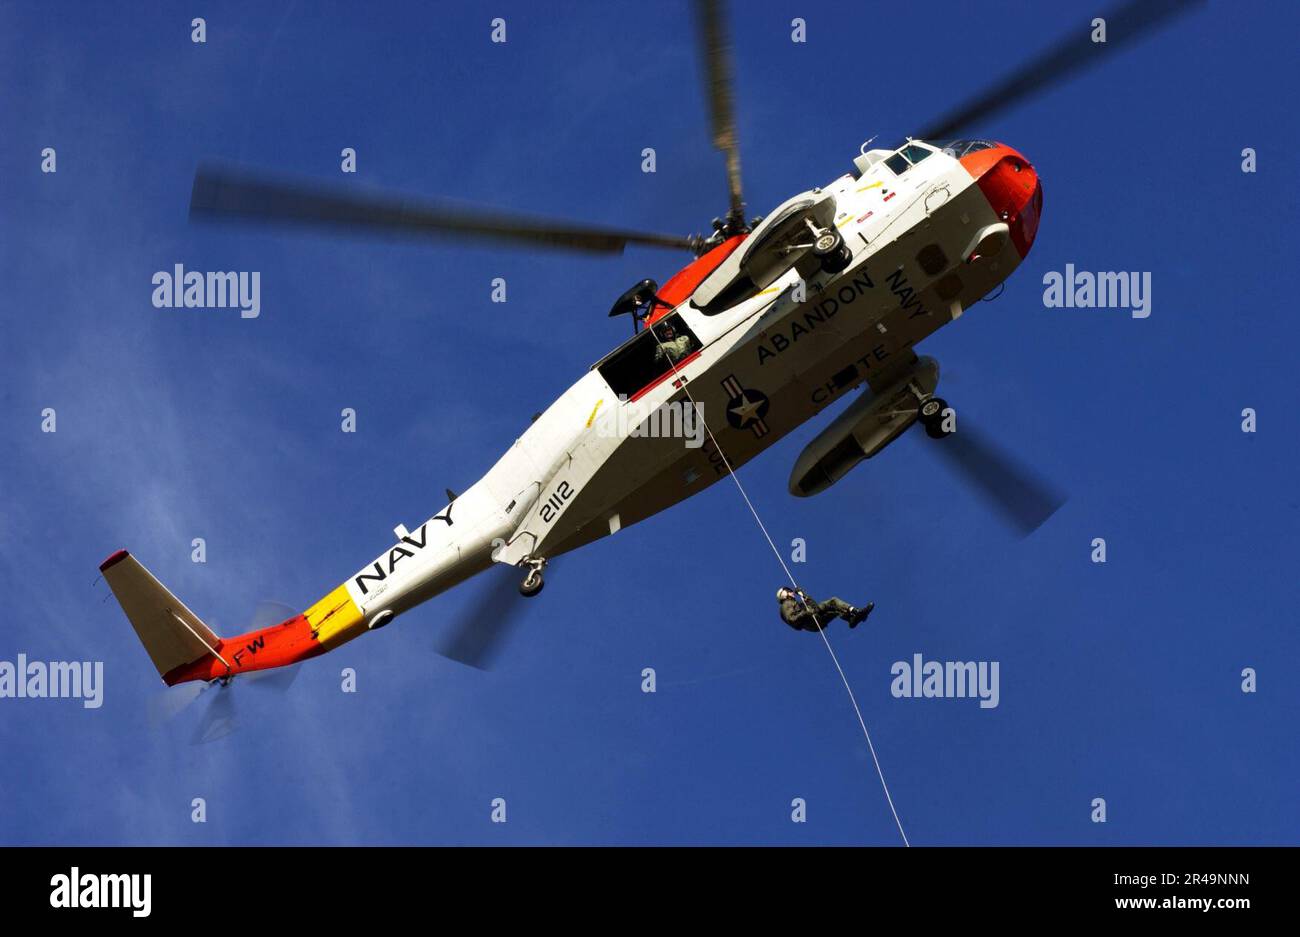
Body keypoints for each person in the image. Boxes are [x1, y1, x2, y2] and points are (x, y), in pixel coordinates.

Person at [777, 586, 873, 632]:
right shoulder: (786, 604)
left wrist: (803, 595)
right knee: (833, 603)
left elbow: (814, 607)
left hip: (814, 618)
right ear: (784, 595)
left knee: (834, 604)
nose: (792, 592)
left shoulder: (798, 604)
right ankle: (853, 615)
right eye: (789, 591)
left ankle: (853, 616)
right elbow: (791, 619)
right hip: (810, 622)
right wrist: (806, 613)